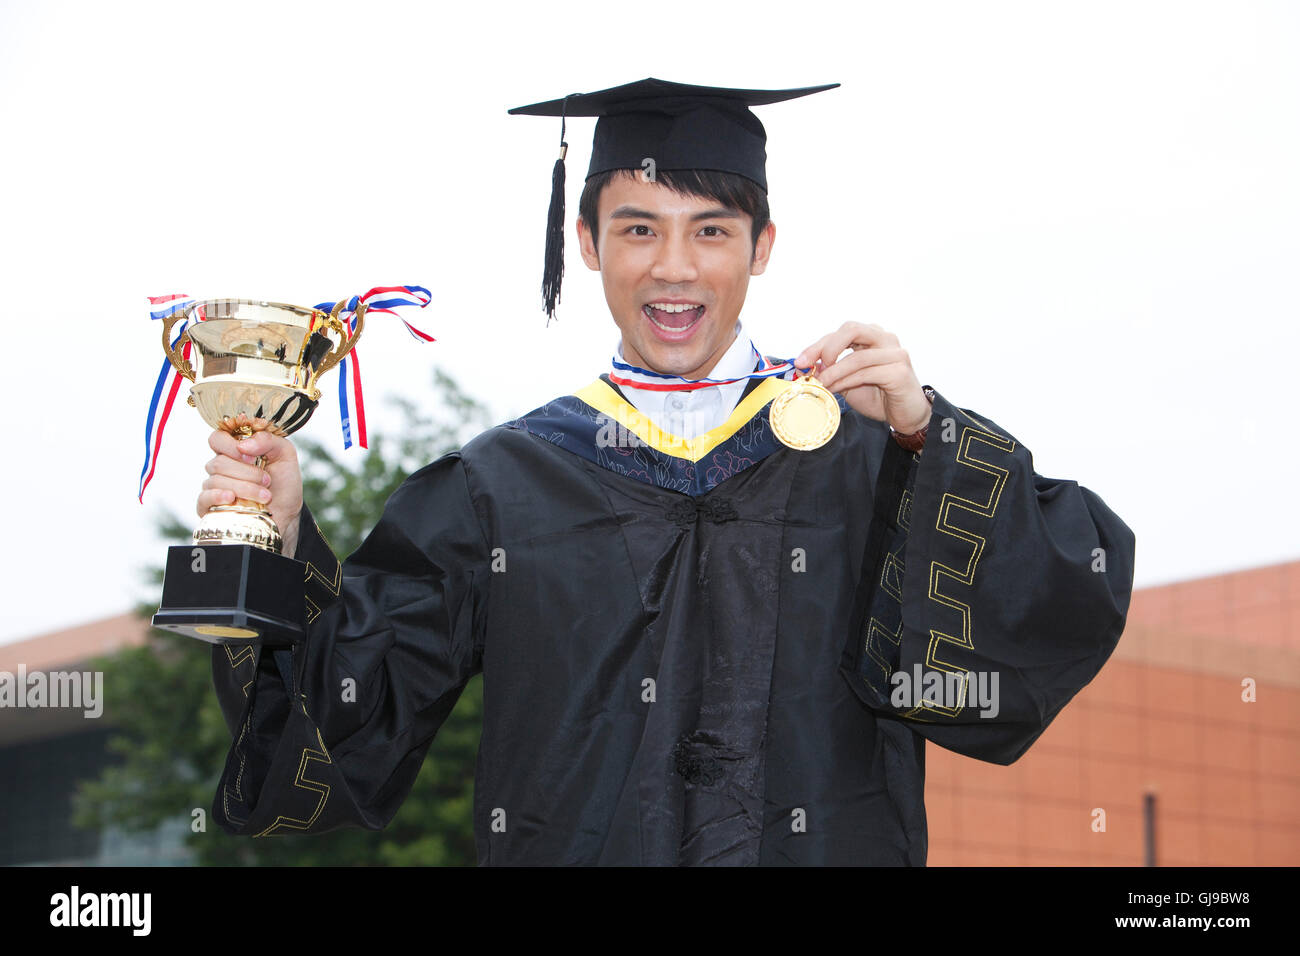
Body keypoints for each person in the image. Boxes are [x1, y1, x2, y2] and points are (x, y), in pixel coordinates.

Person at [197, 78, 1136, 865]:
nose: (674, 269)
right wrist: (270, 550)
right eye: (639, 230)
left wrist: (929, 437)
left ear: (762, 247)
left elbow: (1043, 624)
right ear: (588, 243)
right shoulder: (498, 489)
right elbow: (334, 745)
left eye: (712, 232)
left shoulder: (867, 460)